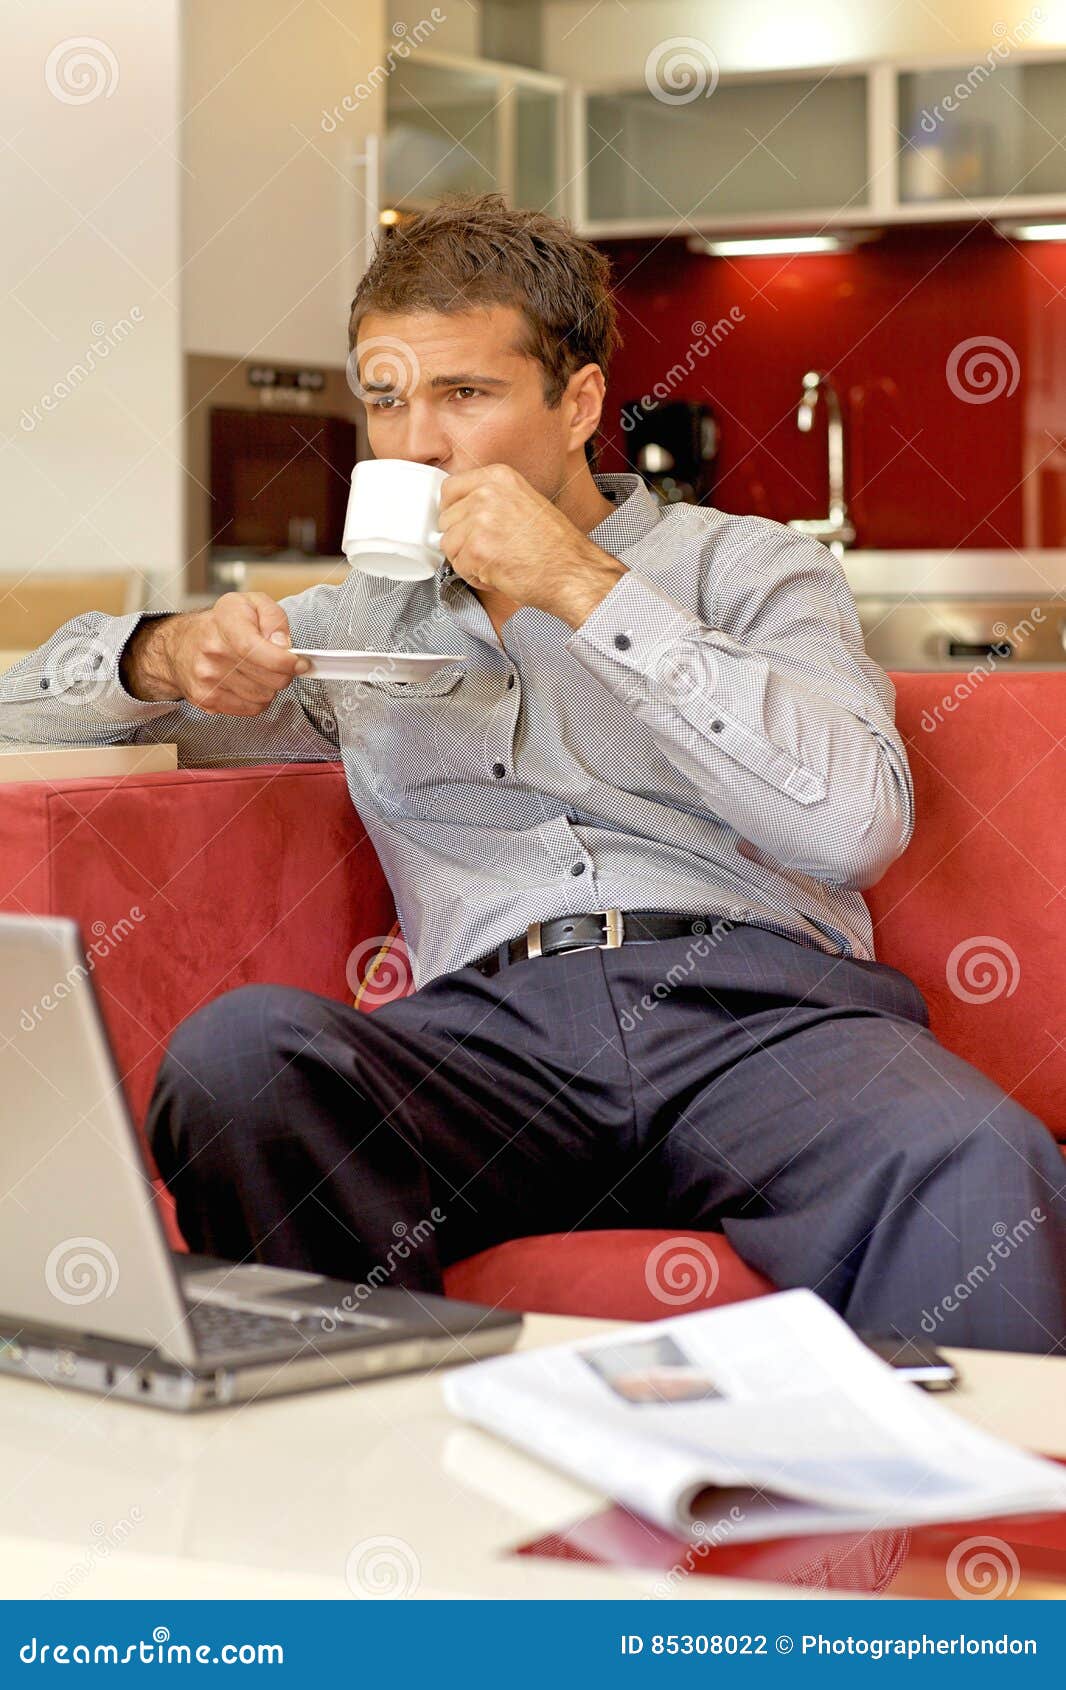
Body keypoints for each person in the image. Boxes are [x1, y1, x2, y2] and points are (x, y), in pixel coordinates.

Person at [3, 193, 1063, 1354]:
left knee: (971, 1155)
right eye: (387, 399)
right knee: (243, 1059)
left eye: (464, 395)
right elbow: (18, 710)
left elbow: (854, 823)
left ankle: (962, 1536)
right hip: (489, 1046)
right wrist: (163, 652)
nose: (414, 444)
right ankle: (342, 1484)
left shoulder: (750, 570)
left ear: (579, 403)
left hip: (762, 1019)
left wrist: (583, 586)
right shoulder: (359, 623)